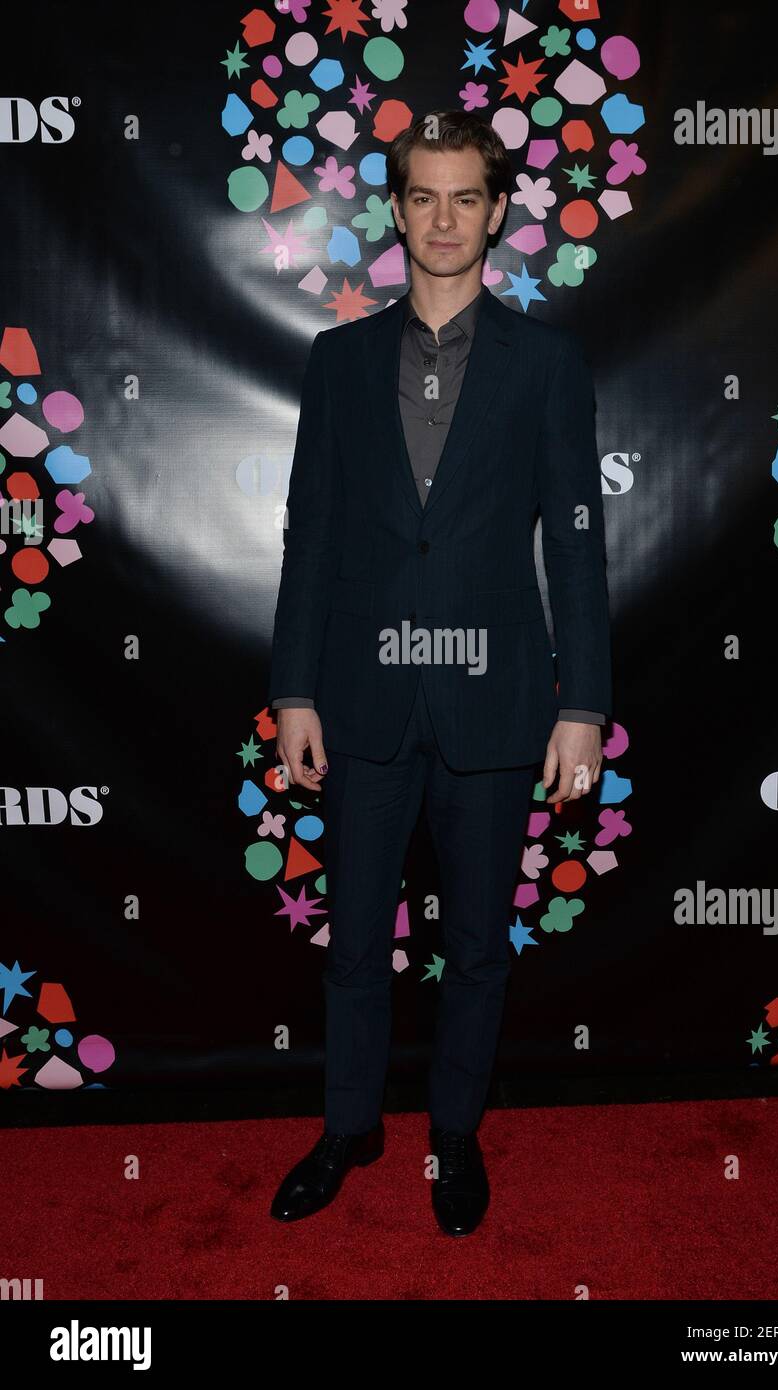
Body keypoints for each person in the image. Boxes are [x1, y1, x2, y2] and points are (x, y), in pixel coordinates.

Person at [267, 110, 612, 1236]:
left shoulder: (547, 363)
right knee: (355, 940)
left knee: (473, 948)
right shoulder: (338, 361)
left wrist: (583, 702)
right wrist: (295, 688)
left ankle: (453, 1137)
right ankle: (348, 1126)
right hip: (360, 696)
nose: (445, 218)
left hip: (498, 698)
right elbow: (308, 535)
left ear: (497, 211)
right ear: (396, 210)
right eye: (424, 196)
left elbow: (573, 541)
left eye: (467, 197)